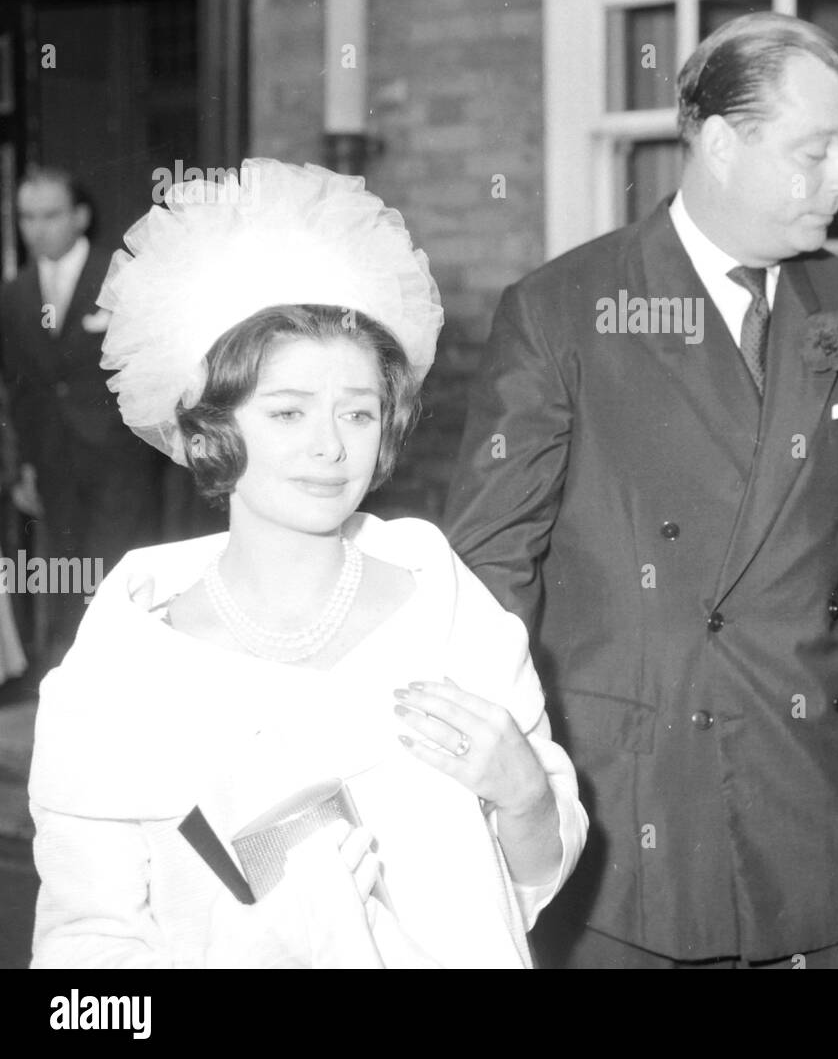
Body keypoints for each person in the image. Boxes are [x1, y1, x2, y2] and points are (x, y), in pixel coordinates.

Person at [28, 160, 586, 968]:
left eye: (357, 412)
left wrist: (528, 794)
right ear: (209, 429)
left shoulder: (449, 613)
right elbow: (82, 977)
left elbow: (535, 881)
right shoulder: (123, 668)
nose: (330, 446)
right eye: (287, 411)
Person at [446, 12, 838, 969]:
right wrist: (508, 778)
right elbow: (491, 566)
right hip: (637, 800)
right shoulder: (562, 308)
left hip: (817, 786)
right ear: (724, 145)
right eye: (816, 152)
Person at [0, 167, 162, 652]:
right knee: (66, 569)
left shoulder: (121, 277)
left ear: (80, 217)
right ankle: (73, 673)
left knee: (118, 566)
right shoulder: (15, 292)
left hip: (119, 456)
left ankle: (124, 669)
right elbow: (19, 387)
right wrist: (24, 466)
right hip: (52, 457)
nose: (37, 228)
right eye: (27, 217)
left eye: (50, 215)